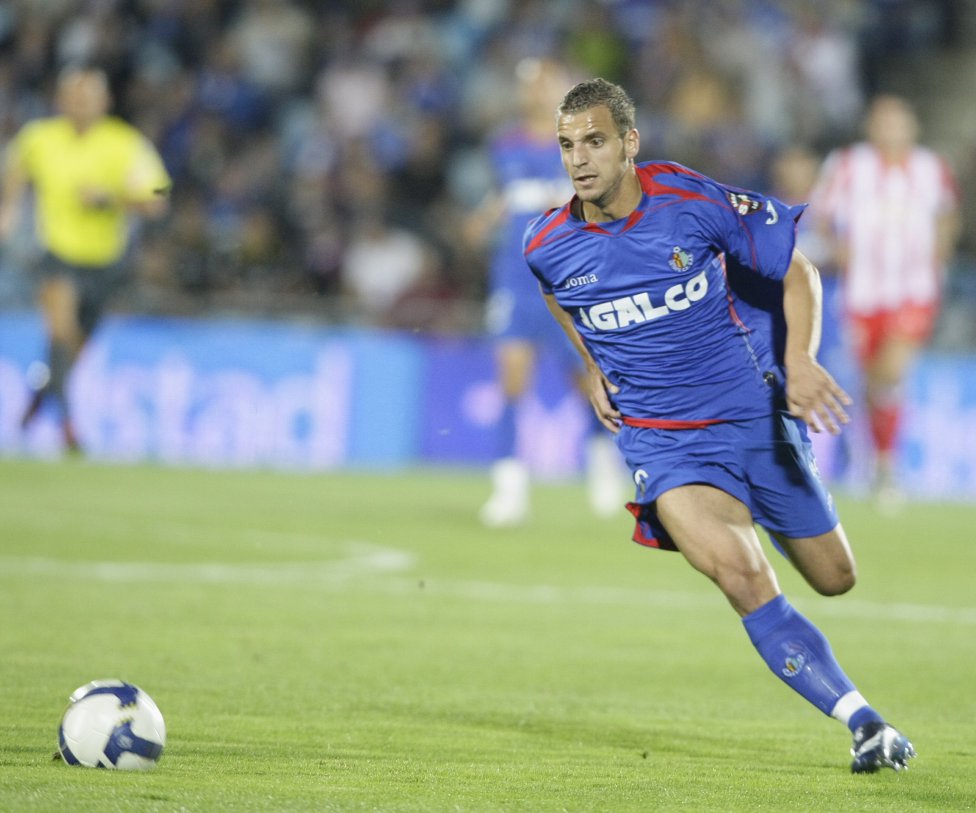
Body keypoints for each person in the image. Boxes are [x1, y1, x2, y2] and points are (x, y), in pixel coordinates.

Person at [524, 78, 914, 773]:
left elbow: (799, 273)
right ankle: (865, 722)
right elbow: (561, 302)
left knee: (834, 576)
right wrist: (592, 364)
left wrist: (798, 360)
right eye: (566, 145)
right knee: (741, 574)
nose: (578, 159)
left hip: (753, 415)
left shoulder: (690, 201)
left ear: (628, 143)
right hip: (662, 441)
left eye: (594, 141)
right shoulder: (548, 244)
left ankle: (767, 505)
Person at [469, 57, 626, 527]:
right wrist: (486, 219)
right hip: (515, 280)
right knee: (511, 380)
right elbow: (504, 198)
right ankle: (509, 491)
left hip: (571, 282)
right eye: (528, 86)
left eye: (543, 85)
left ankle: (602, 464)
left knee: (585, 382)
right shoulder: (504, 146)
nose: (534, 94)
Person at [0, 66, 171, 452]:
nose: (80, 105)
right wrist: (8, 210)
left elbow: (160, 193)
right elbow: (15, 166)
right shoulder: (39, 138)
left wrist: (112, 198)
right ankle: (69, 426)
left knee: (73, 349)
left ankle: (39, 396)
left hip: (105, 263)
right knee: (59, 332)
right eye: (74, 98)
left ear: (105, 102)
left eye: (88, 98)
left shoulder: (125, 144)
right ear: (61, 102)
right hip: (56, 254)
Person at [809, 95, 961, 505]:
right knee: (874, 381)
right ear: (870, 127)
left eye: (898, 121)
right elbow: (820, 212)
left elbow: (948, 213)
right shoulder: (847, 165)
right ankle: (880, 463)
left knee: (891, 371)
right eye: (883, 121)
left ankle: (885, 463)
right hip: (862, 292)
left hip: (913, 289)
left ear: (912, 127)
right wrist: (835, 246)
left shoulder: (931, 169)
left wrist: (941, 248)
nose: (891, 129)